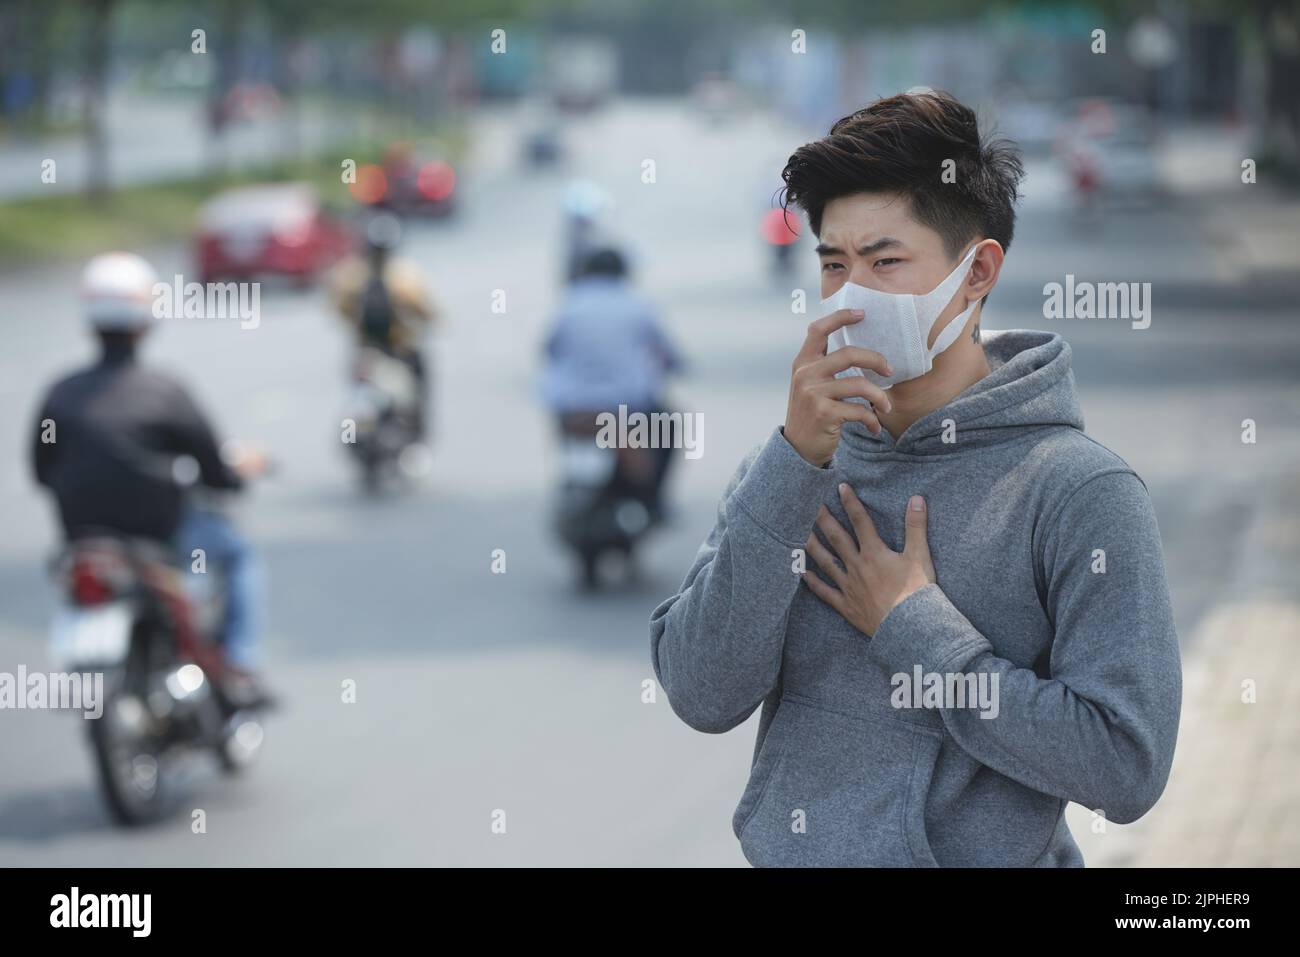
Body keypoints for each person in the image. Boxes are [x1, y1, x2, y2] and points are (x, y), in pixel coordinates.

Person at [649, 91, 1182, 868]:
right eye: (835, 263)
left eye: (885, 260)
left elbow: (1126, 764)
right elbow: (701, 692)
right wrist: (794, 464)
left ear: (977, 272)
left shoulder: (1080, 491)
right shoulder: (793, 467)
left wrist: (917, 630)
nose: (852, 292)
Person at [32, 252, 269, 703]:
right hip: (158, 543)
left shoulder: (59, 396)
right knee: (236, 551)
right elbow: (215, 472)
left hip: (84, 543)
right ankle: (239, 664)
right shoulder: (165, 391)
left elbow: (42, 471)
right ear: (145, 320)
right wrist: (235, 477)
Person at [539, 246, 682, 518]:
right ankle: (653, 501)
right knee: (669, 426)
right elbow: (668, 352)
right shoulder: (638, 305)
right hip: (627, 412)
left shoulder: (568, 304)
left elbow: (549, 350)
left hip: (572, 412)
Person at [331, 212, 437, 438]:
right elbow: (427, 310)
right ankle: (417, 437)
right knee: (417, 395)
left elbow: (339, 310)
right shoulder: (405, 275)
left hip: (366, 350)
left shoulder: (350, 275)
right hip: (400, 350)